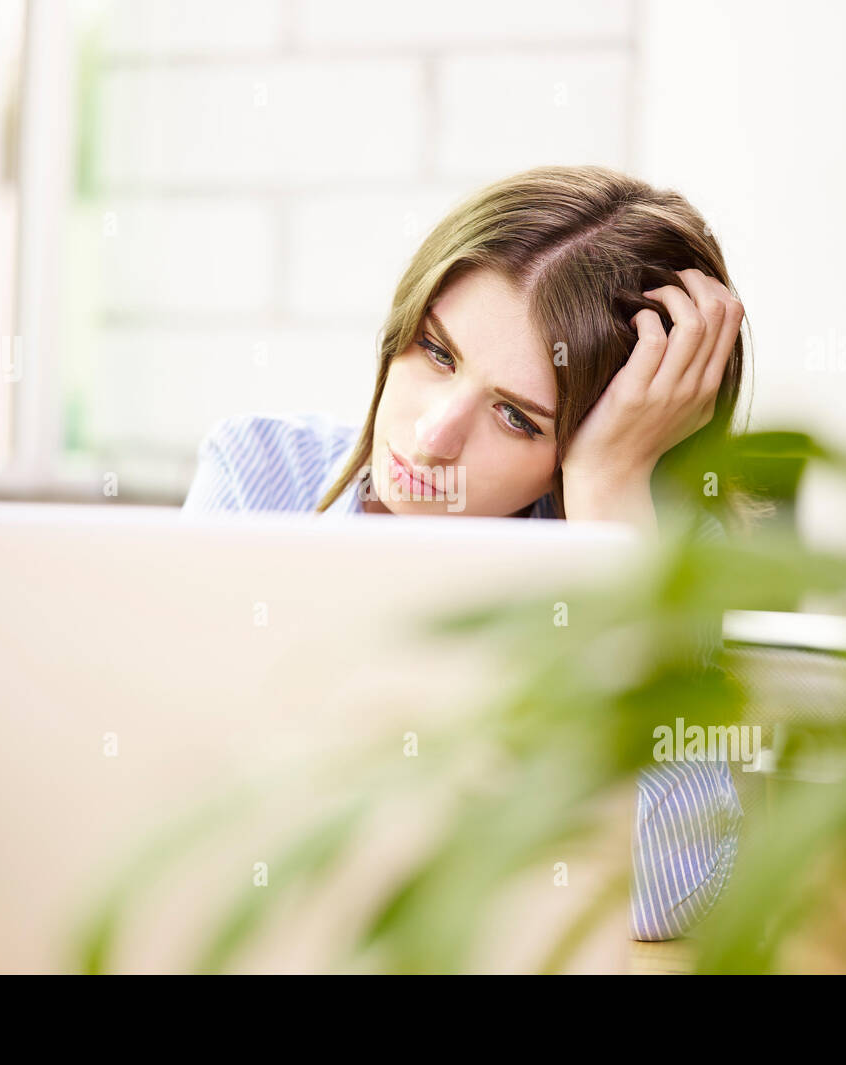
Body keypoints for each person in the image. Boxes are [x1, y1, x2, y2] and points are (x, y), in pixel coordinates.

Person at [181, 164, 750, 942]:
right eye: (437, 352)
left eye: (517, 417)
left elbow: (672, 896)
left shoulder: (642, 548)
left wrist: (611, 499)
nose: (433, 436)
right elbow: (173, 823)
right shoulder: (261, 477)